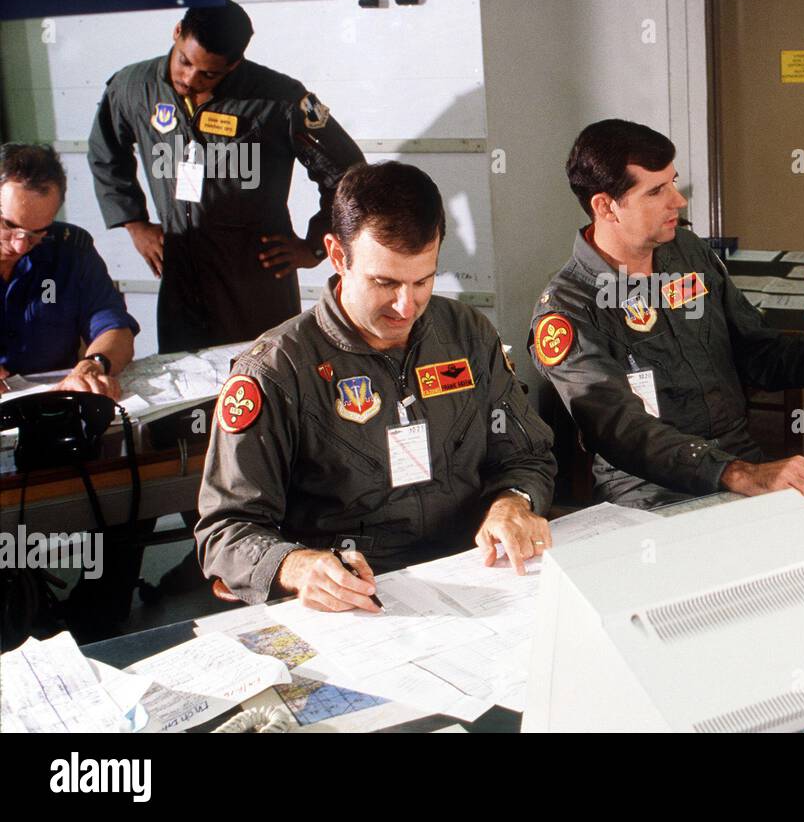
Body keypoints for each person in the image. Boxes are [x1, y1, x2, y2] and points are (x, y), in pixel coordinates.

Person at [195, 161, 556, 611]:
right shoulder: (276, 370)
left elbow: (525, 455)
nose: (406, 306)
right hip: (361, 598)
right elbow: (226, 531)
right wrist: (297, 565)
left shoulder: (465, 333)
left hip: (479, 575)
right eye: (384, 282)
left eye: (422, 281)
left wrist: (513, 502)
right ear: (337, 255)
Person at [530, 119, 804, 510]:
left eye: (673, 182)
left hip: (739, 459)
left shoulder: (686, 252)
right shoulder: (567, 308)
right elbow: (623, 432)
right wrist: (740, 474)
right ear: (605, 206)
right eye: (657, 191)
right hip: (650, 491)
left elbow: (758, 354)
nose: (678, 200)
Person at [88, 0, 364, 354]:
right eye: (184, 61)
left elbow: (349, 174)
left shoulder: (280, 100)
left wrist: (315, 245)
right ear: (176, 33)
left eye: (208, 73)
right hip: (181, 272)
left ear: (234, 64)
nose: (189, 78)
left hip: (255, 279)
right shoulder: (133, 87)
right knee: (184, 382)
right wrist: (134, 223)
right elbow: (104, 152)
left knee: (264, 377)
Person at [0, 143, 137, 398]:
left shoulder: (70, 250)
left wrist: (93, 365)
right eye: (9, 225)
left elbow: (115, 329)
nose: (20, 245)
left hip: (55, 406)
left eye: (36, 232)